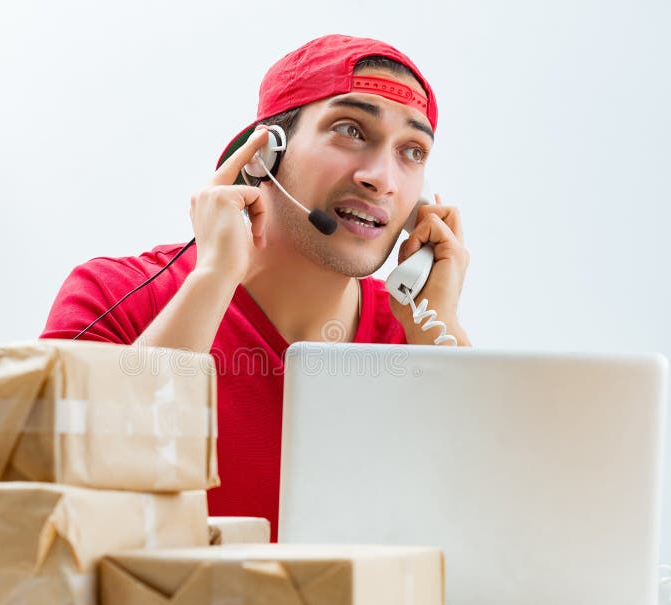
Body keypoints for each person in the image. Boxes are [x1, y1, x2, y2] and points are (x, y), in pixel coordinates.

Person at [41, 34, 471, 540]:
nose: (383, 179)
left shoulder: (415, 337)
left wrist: (440, 333)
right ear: (263, 154)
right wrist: (214, 276)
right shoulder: (115, 295)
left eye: (412, 151)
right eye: (351, 129)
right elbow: (62, 516)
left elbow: (495, 537)